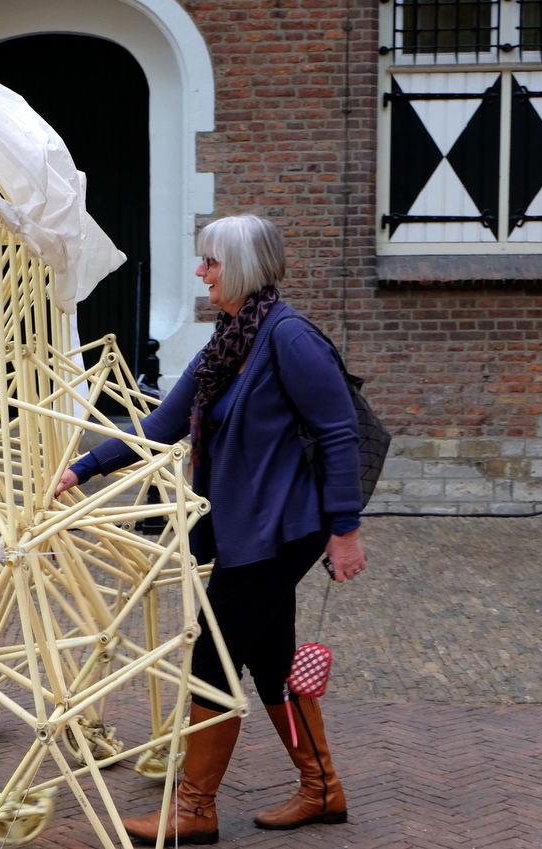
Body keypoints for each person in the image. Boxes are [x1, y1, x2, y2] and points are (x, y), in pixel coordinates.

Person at [54, 214, 367, 845]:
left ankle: (194, 810)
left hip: (283, 527)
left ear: (245, 267)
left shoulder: (289, 337)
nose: (201, 272)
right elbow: (162, 423)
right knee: (270, 658)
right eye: (201, 260)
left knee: (212, 656)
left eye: (211, 261)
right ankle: (322, 787)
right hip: (245, 526)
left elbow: (339, 434)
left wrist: (345, 529)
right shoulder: (231, 341)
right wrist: (83, 467)